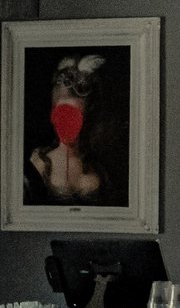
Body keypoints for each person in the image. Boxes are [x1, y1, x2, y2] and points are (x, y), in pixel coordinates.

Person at [28, 49, 125, 204]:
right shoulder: (40, 162)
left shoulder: (98, 169)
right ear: (53, 115)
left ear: (86, 117)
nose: (65, 121)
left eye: (72, 115)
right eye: (61, 113)